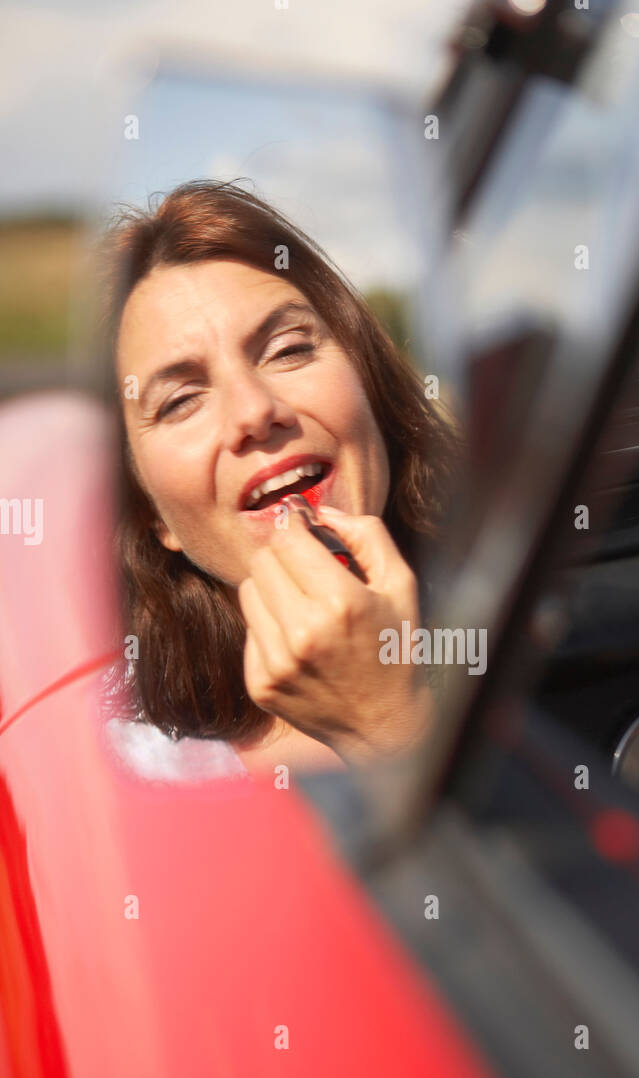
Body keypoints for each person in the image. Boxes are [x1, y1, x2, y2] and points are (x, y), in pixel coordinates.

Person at [97, 179, 457, 781]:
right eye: (181, 400)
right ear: (153, 516)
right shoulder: (121, 771)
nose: (254, 412)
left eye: (288, 350)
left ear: (369, 383)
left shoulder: (537, 608)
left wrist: (389, 722)